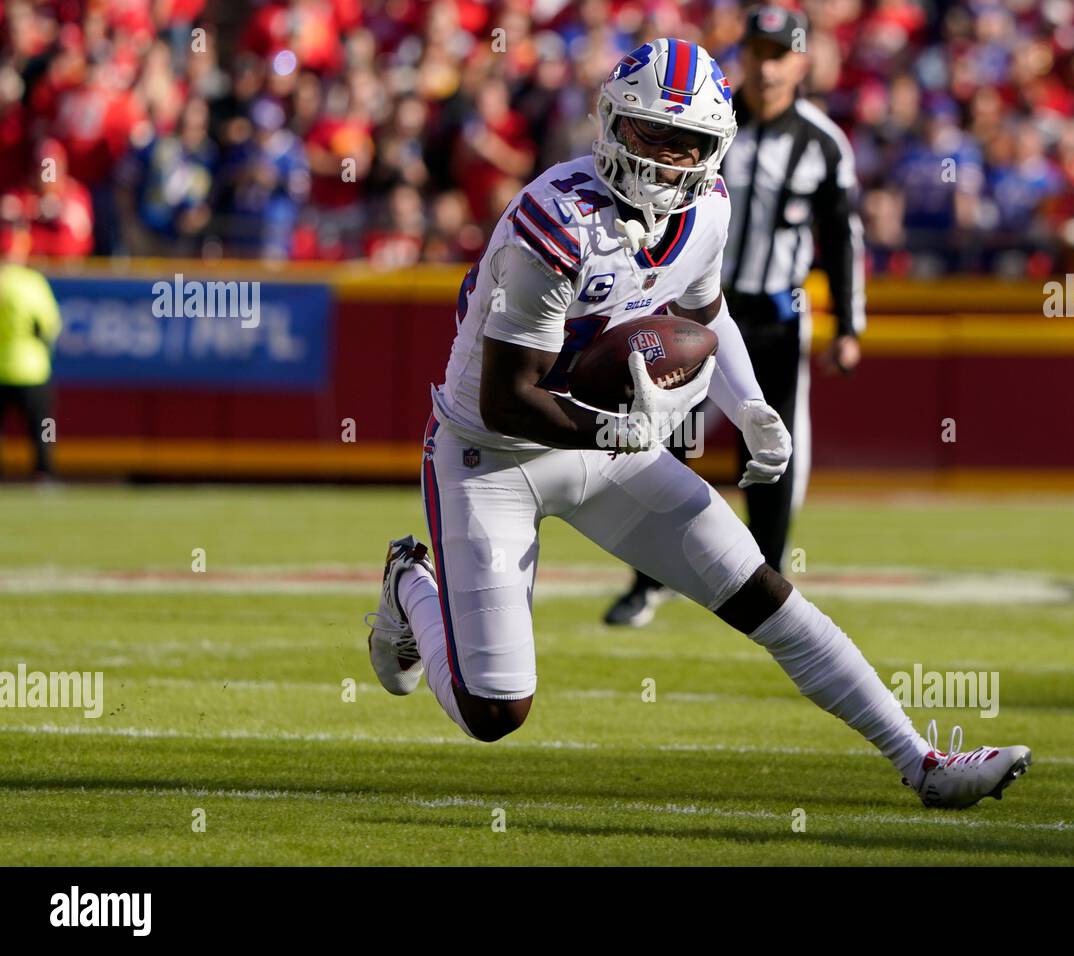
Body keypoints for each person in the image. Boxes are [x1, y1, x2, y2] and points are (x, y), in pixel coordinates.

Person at [363, 38, 1029, 809]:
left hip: (608, 445)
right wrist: (616, 431)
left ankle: (925, 764)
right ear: (613, 125)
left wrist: (748, 407)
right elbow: (505, 397)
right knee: (495, 711)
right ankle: (409, 581)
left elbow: (705, 315)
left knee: (764, 595)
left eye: (690, 143)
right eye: (652, 135)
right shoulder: (555, 223)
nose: (670, 160)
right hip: (494, 454)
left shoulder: (708, 210)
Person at [602, 8, 867, 627]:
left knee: (771, 444)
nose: (767, 65)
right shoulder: (706, 122)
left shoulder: (823, 143)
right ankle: (648, 581)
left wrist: (850, 326)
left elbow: (842, 237)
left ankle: (767, 585)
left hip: (774, 314)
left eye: (779, 53)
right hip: (688, 310)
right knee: (665, 440)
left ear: (802, 61)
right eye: (757, 50)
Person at [0, 228, 62, 478]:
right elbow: (50, 325)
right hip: (31, 368)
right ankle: (44, 473)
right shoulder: (30, 282)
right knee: (43, 427)